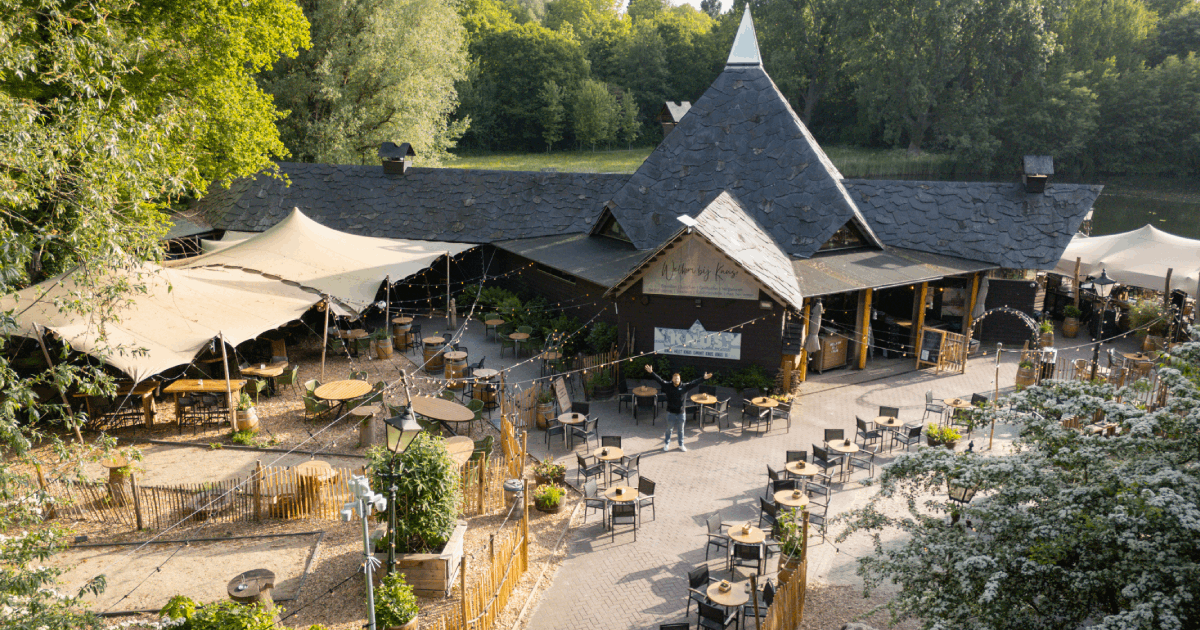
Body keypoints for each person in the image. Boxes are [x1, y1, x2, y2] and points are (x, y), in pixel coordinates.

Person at [645, 363, 712, 451]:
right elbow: (659, 380)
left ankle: (681, 445)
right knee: (669, 430)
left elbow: (694, 383)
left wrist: (703, 378)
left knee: (681, 431)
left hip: (681, 413)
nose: (676, 379)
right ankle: (666, 444)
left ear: (680, 379)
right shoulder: (668, 386)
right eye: (675, 378)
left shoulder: (685, 387)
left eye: (678, 378)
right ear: (672, 379)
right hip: (670, 413)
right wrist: (651, 372)